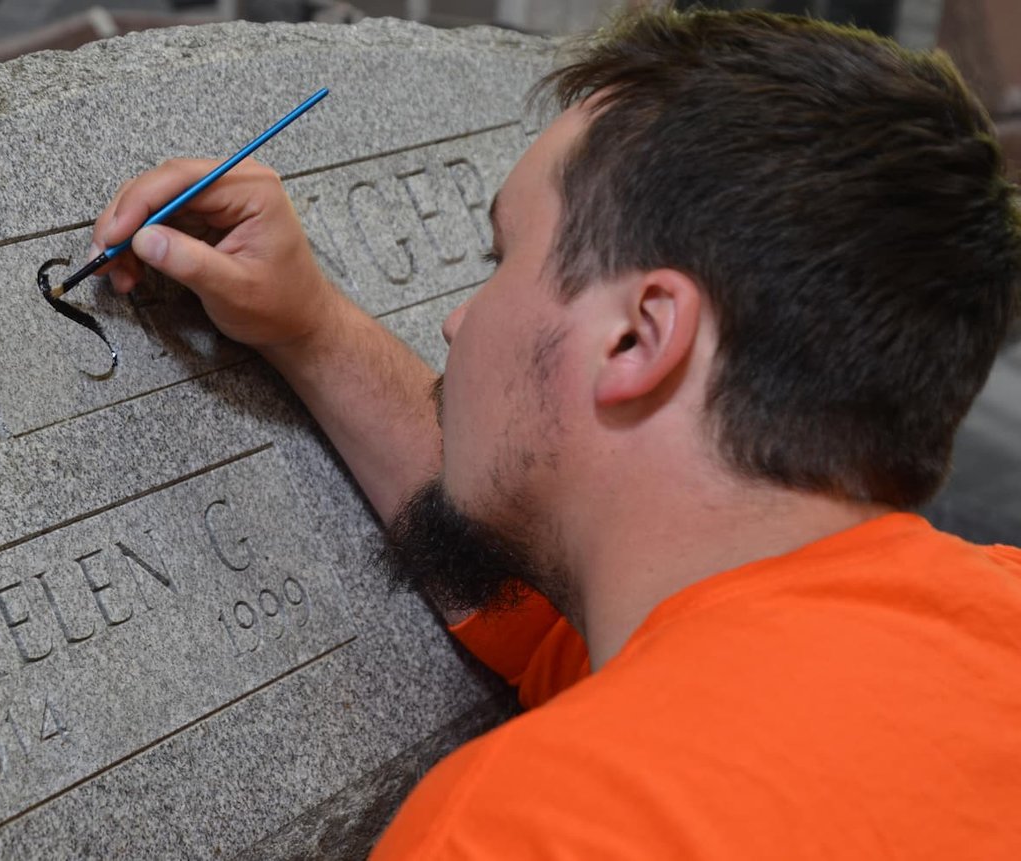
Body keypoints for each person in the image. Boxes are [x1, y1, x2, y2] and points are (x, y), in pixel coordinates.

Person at [90, 8, 1021, 857]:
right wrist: (310, 328)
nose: (458, 321)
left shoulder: (527, 827)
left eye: (501, 257)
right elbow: (560, 572)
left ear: (637, 336)